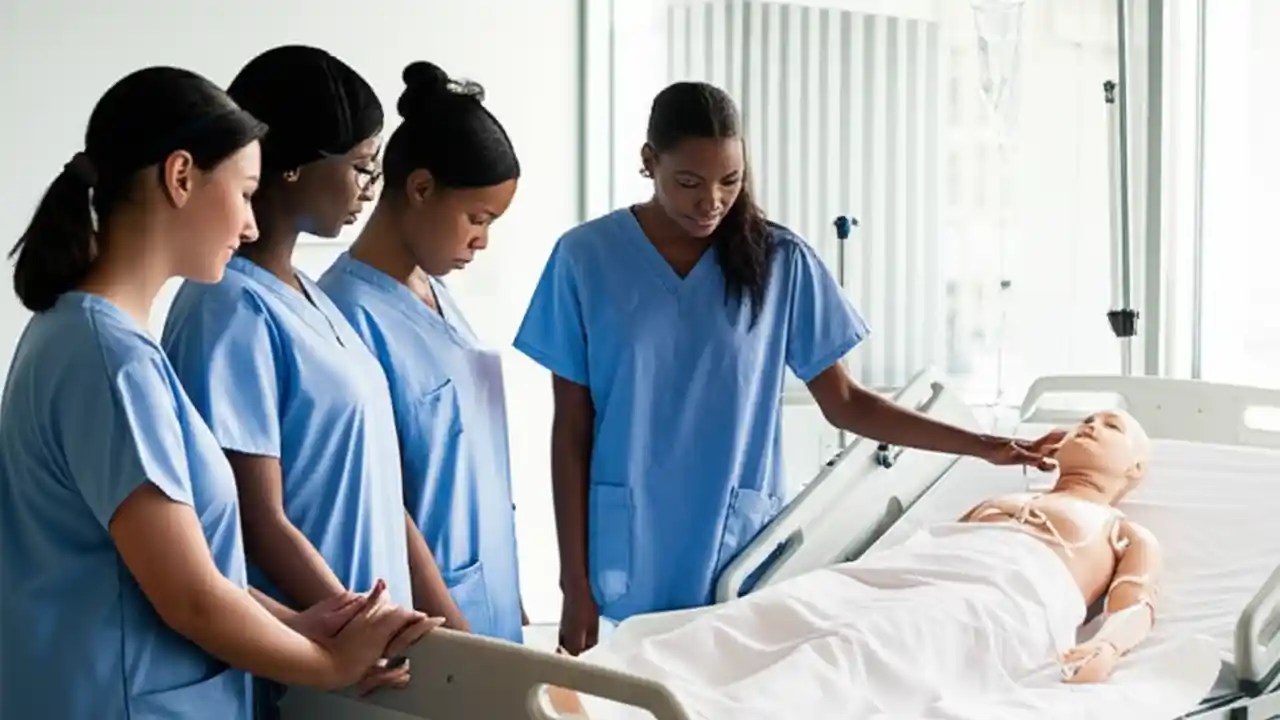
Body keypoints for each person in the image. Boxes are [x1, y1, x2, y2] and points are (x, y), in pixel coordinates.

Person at [513, 80, 1064, 654]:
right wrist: (572, 584)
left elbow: (846, 403)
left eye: (730, 181)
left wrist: (980, 444)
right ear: (649, 162)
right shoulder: (584, 258)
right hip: (624, 549)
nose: (712, 203)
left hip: (737, 547)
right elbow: (571, 430)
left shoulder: (780, 261)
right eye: (689, 183)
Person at [0, 66, 437, 720]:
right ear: (181, 177)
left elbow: (188, 568)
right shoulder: (109, 361)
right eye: (245, 192)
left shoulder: (82, 336)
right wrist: (329, 666)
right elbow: (191, 598)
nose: (251, 225)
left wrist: (299, 623)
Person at [159, 46, 460, 715]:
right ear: (290, 165)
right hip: (316, 658)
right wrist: (349, 640)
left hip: (371, 650)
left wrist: (450, 635)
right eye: (358, 165)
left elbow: (380, 489)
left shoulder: (314, 298)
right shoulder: (227, 306)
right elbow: (256, 519)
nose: (369, 186)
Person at [549, 410, 1164, 719]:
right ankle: (600, 694)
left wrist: (1105, 649)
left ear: (1135, 471)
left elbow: (1135, 606)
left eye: (1108, 426)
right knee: (780, 611)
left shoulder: (1122, 532)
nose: (1089, 425)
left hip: (994, 600)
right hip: (913, 569)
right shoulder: (1001, 496)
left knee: (856, 649)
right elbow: (936, 543)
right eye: (1085, 419)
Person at [319, 62, 526, 643]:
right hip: (432, 622)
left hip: (487, 602)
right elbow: (385, 498)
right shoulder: (345, 315)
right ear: (420, 188)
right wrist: (454, 630)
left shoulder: (437, 296)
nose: (482, 240)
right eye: (477, 219)